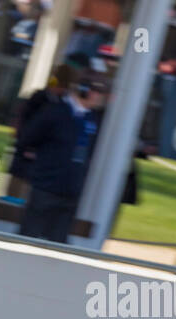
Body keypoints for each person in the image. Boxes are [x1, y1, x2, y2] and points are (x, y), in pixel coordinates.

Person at [16, 74, 107, 243]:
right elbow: (27, 139)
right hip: (46, 186)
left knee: (58, 244)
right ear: (84, 90)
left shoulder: (93, 119)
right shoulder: (55, 112)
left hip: (71, 191)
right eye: (96, 91)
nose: (99, 96)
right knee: (28, 238)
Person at [8, 62, 77, 201]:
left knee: (21, 188)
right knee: (21, 188)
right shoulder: (46, 100)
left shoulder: (52, 100)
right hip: (31, 150)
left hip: (35, 151)